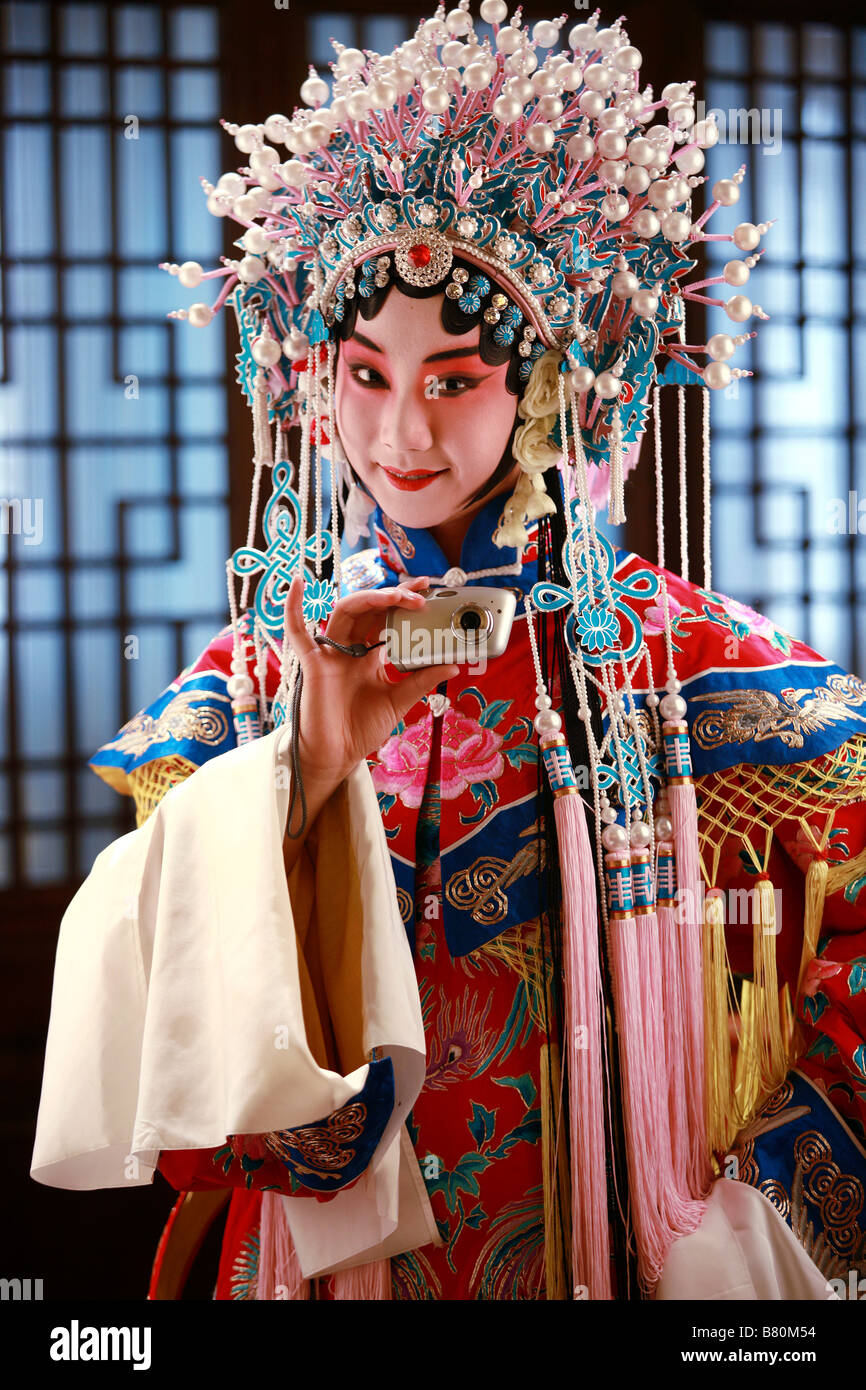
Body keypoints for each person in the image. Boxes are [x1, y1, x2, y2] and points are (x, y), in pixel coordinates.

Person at [31, 5, 866, 1301]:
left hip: (606, 1237)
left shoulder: (677, 657)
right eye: (364, 375)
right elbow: (151, 988)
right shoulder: (264, 665)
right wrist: (308, 759)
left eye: (452, 375)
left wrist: (754, 1200)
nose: (399, 432)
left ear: (541, 379)